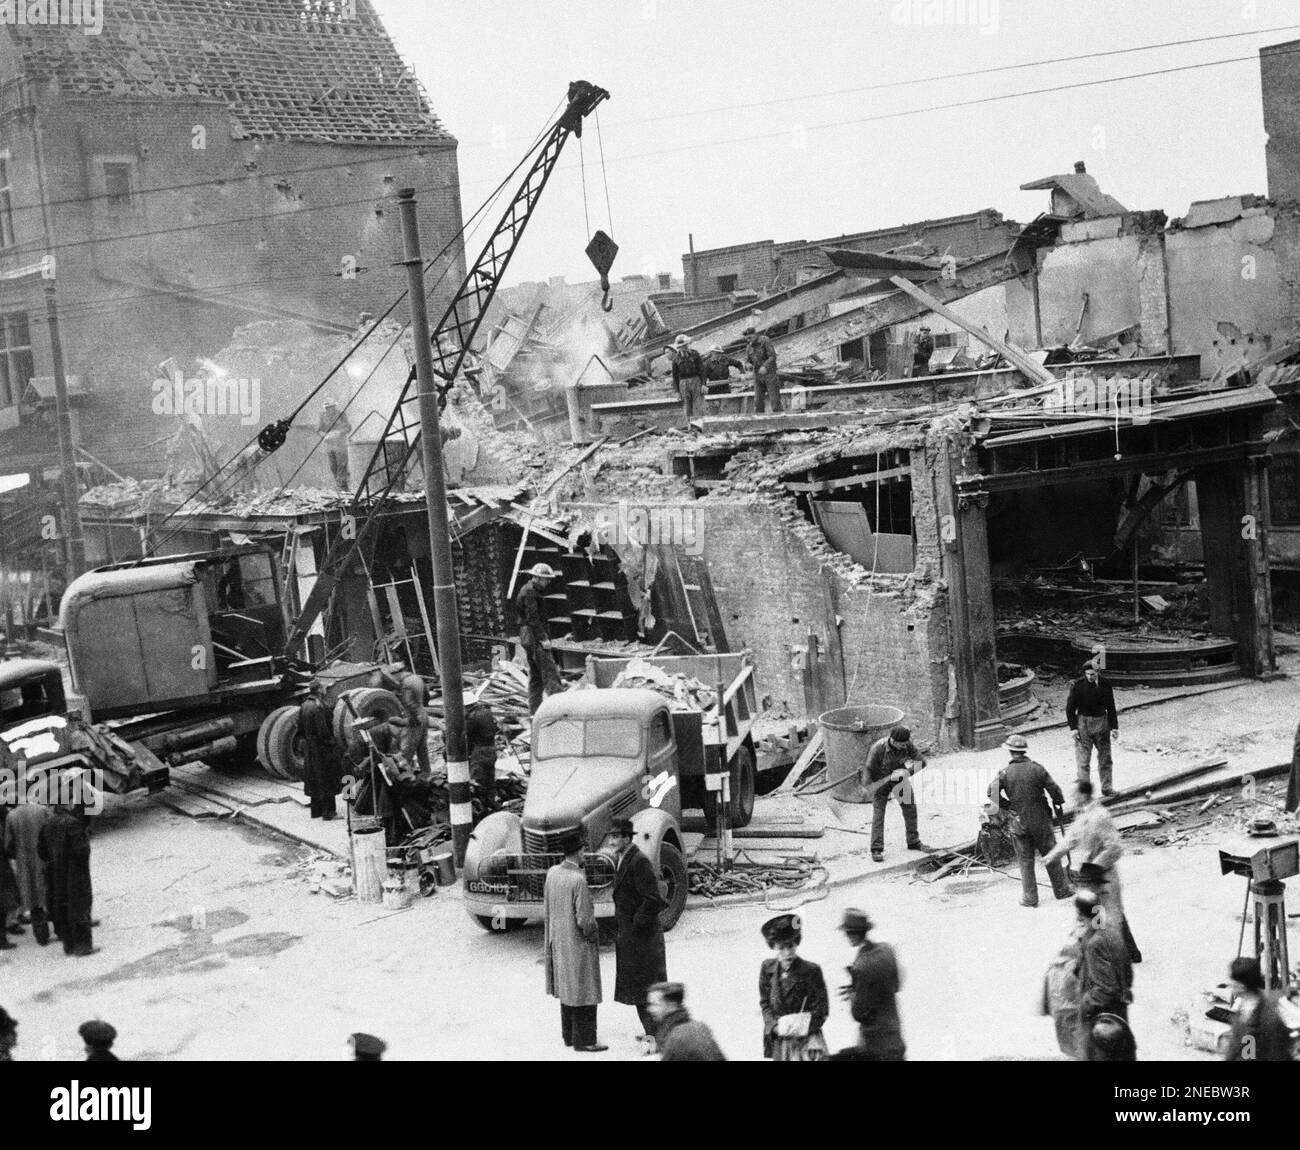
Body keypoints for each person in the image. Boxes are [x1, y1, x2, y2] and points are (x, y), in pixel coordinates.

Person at [1044, 779, 1141, 962]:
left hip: (1103, 875)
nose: (1071, 797)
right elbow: (1071, 839)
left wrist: (1093, 867)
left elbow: (1114, 848)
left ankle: (1124, 955)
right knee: (1099, 914)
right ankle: (1120, 953)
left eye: (1074, 794)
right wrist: (1052, 856)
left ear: (1083, 794)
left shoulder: (1100, 816)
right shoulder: (1081, 815)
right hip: (1089, 876)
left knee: (1110, 915)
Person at [987, 734, 1073, 908]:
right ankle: (1062, 890)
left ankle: (1030, 898)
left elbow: (991, 793)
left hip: (1019, 822)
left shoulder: (1004, 773)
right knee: (1051, 855)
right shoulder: (1037, 769)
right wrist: (1058, 801)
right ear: (1023, 751)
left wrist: (1008, 804)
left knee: (1025, 860)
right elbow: (1054, 789)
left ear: (1010, 752)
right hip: (1041, 821)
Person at [543, 831, 606, 1052]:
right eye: (583, 850)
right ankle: (586, 1040)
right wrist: (595, 935)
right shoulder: (578, 879)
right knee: (585, 990)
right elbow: (585, 920)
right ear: (578, 851)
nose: (585, 854)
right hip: (579, 943)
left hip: (559, 941)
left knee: (568, 988)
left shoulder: (553, 873)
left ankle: (569, 1036)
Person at [608, 818, 667, 1048]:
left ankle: (655, 1039)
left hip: (642, 940)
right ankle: (651, 1034)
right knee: (640, 991)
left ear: (626, 838)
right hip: (634, 939)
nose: (611, 841)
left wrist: (635, 924)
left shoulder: (638, 861)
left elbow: (653, 900)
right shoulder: (625, 858)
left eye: (615, 837)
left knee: (645, 992)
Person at [759, 913, 829, 1061]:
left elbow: (822, 1010)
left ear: (797, 943)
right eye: (781, 947)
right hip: (779, 1040)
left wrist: (801, 1028)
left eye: (790, 946)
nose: (787, 953)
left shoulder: (811, 971)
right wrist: (774, 1027)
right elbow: (765, 1003)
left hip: (805, 1042)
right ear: (773, 947)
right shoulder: (767, 968)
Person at [1074, 890, 1134, 1061]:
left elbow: (1105, 988)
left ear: (1081, 915)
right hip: (1119, 1008)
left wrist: (1086, 1003)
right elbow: (1127, 969)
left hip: (1102, 1015)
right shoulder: (1111, 929)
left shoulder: (1095, 943)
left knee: (1103, 1055)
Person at [839, 908, 905, 1060]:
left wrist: (852, 993)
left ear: (852, 935)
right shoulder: (887, 949)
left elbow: (859, 1014)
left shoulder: (860, 965)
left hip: (875, 1044)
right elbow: (896, 985)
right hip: (894, 1035)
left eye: (848, 933)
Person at [861, 725, 929, 863]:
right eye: (901, 744)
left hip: (899, 779)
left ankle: (913, 841)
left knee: (910, 808)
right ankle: (876, 848)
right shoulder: (877, 748)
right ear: (893, 740)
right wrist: (867, 786)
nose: (904, 747)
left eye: (906, 744)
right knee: (879, 813)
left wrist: (907, 772)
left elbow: (922, 762)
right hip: (881, 781)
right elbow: (868, 768)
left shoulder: (906, 744)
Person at [1224, 956, 1294, 1062]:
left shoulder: (1269, 1020)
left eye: (1232, 981)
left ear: (1241, 986)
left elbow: (1278, 1055)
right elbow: (1235, 1047)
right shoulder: (1244, 1007)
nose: (1230, 984)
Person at [516, 563, 563, 715]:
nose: (548, 582)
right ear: (537, 578)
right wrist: (543, 639)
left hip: (526, 636)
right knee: (550, 673)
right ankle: (561, 710)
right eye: (545, 579)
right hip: (533, 635)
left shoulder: (528, 589)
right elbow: (533, 618)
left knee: (535, 676)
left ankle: (535, 712)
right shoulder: (530, 592)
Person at [1066, 661, 1119, 795]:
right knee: (1083, 761)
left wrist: (1114, 727)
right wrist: (1073, 728)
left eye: (1093, 674)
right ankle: (1085, 794)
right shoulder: (1077, 685)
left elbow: (1111, 706)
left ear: (1098, 673)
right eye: (1088, 674)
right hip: (1083, 724)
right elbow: (1070, 709)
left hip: (1102, 723)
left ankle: (1107, 788)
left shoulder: (1106, 684)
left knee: (1105, 758)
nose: (1090, 677)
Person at [5, 797, 52, 946]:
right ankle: (59, 927)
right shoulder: (42, 810)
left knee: (33, 897)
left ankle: (41, 935)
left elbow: (8, 844)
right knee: (50, 892)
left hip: (24, 861)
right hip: (44, 858)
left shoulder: (11, 816)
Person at [372, 665, 431, 775]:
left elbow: (409, 703)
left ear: (397, 673)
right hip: (423, 713)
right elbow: (427, 697)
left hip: (415, 718)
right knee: (422, 750)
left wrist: (412, 719)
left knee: (406, 752)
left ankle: (403, 778)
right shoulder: (416, 678)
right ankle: (427, 775)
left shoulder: (406, 684)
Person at [646, 981, 726, 1061]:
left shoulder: (675, 1037)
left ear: (670, 1004)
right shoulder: (699, 1027)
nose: (649, 1009)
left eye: (654, 1004)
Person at [299, 679, 340, 820]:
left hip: (310, 747)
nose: (326, 690)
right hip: (322, 748)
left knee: (314, 778)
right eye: (324, 688)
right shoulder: (319, 706)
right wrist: (333, 743)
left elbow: (300, 729)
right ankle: (329, 813)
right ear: (319, 690)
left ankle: (316, 812)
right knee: (327, 778)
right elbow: (324, 731)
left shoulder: (304, 705)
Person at [466, 701, 499, 815]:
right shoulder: (487, 713)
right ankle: (492, 804)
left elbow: (467, 736)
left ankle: (481, 809)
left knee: (478, 781)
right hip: (491, 749)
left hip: (480, 751)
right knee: (490, 779)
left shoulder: (472, 717)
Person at [669, 334, 706, 426]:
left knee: (698, 404)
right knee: (687, 405)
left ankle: (700, 425)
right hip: (683, 383)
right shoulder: (676, 359)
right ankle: (691, 426)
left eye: (685, 345)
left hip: (696, 381)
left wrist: (704, 384)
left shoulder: (695, 354)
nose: (684, 348)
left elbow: (702, 370)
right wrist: (677, 391)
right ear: (678, 347)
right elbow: (675, 377)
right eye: (681, 347)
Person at [744, 323, 781, 413]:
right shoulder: (749, 347)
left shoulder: (765, 340)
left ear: (755, 335)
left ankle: (780, 422)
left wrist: (765, 366)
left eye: (750, 338)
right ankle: (760, 424)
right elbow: (747, 360)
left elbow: (772, 356)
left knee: (775, 401)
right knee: (758, 402)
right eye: (747, 339)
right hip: (758, 377)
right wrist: (747, 365)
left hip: (770, 375)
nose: (749, 340)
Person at [318, 399, 352, 490]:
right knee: (333, 466)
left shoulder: (341, 414)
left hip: (340, 443)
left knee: (342, 464)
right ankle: (339, 485)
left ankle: (342, 486)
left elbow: (348, 427)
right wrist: (324, 435)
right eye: (327, 408)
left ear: (334, 407)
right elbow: (319, 429)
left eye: (331, 407)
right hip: (329, 444)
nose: (329, 410)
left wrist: (340, 432)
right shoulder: (323, 416)